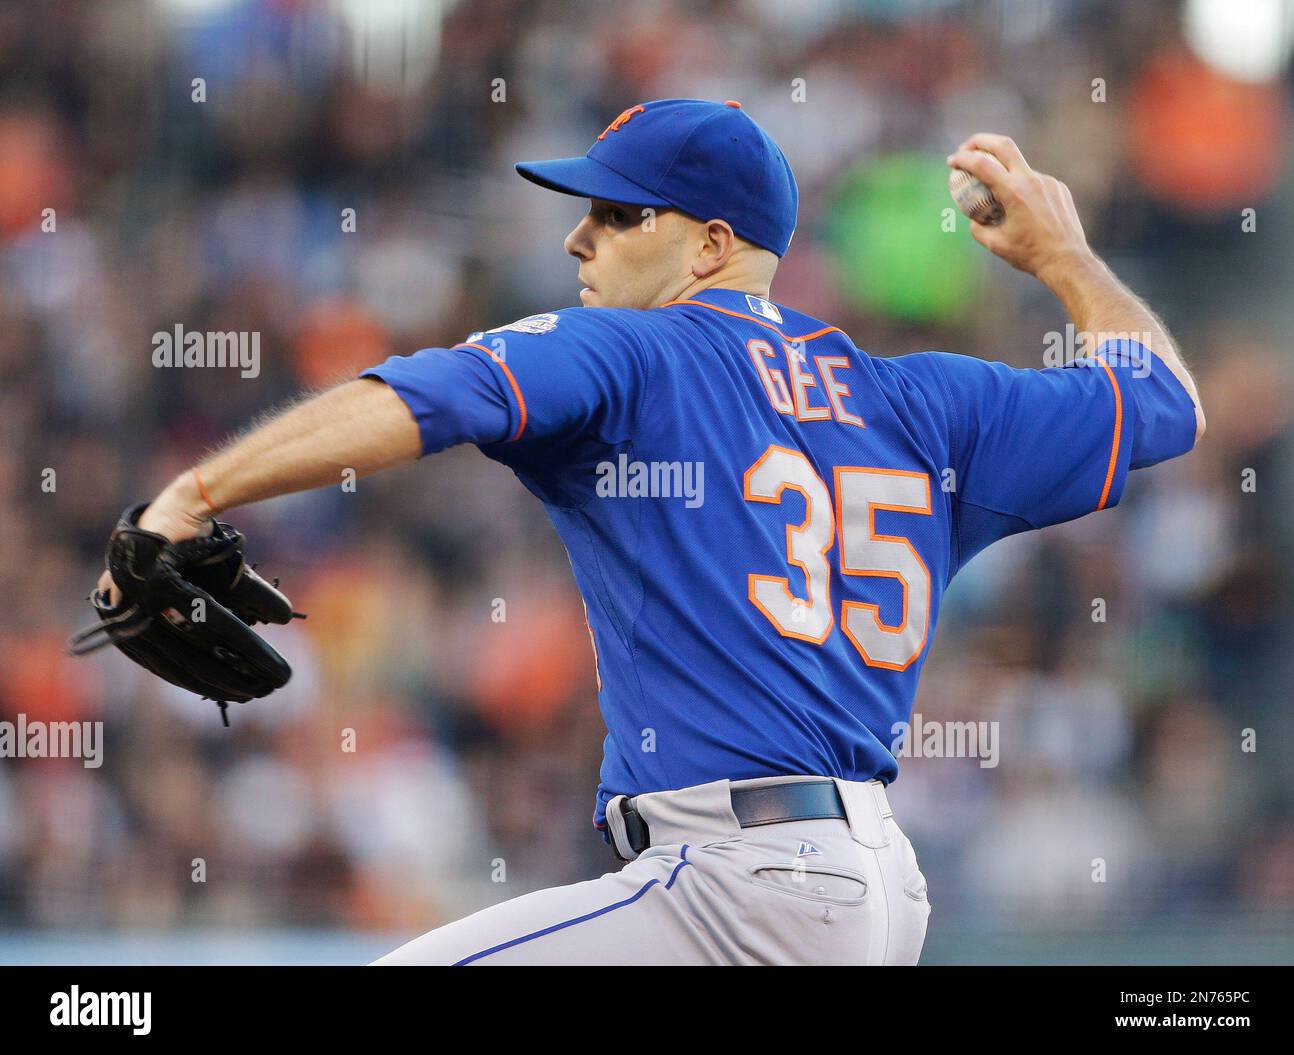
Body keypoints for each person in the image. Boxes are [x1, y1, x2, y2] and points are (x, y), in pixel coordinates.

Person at [97, 98, 1204, 965]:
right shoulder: (923, 402)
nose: (581, 236)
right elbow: (1160, 402)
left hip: (733, 889)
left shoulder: (634, 350)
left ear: (711, 245)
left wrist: (195, 490)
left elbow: (421, 398)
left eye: (619, 214)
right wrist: (1063, 257)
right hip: (871, 892)